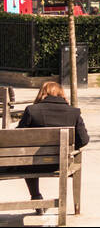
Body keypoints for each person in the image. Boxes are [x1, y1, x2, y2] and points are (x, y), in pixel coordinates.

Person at [16, 81, 89, 214]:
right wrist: (69, 148)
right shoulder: (74, 112)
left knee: (28, 157)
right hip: (61, 163)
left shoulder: (32, 110)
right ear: (61, 94)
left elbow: (17, 138)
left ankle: (36, 196)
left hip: (32, 163)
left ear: (42, 94)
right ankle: (72, 207)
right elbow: (84, 140)